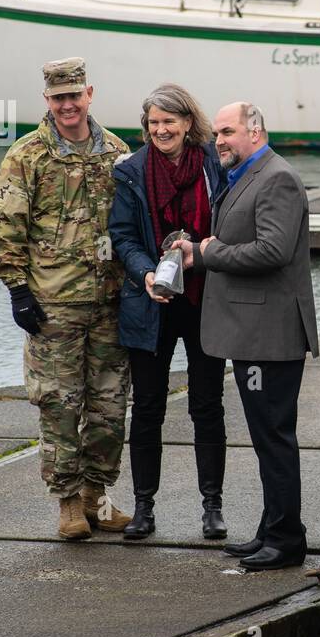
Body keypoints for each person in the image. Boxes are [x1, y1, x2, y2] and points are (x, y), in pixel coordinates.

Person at [0, 57, 132, 540]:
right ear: (46, 101)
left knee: (110, 407)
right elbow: (6, 227)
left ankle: (97, 496)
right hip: (53, 306)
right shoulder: (27, 155)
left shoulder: (116, 151)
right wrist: (18, 291)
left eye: (75, 95)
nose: (68, 106)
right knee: (60, 406)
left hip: (110, 303)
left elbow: (132, 224)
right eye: (58, 98)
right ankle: (68, 502)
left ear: (90, 93)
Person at [176, 102, 318, 572]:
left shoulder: (277, 178)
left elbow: (273, 251)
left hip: (270, 335)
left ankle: (286, 540)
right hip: (253, 333)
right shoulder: (246, 175)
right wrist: (202, 251)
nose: (219, 140)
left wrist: (207, 253)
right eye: (216, 133)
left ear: (256, 131)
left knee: (274, 437)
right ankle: (272, 529)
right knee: (264, 437)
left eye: (228, 131)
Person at [109, 85, 228, 541]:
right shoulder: (132, 171)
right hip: (151, 303)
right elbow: (123, 235)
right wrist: (144, 274)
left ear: (187, 123)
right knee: (148, 409)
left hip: (205, 299)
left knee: (208, 406)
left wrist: (207, 252)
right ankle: (144, 508)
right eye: (154, 123)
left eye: (169, 122)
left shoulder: (213, 164)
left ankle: (212, 508)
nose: (161, 130)